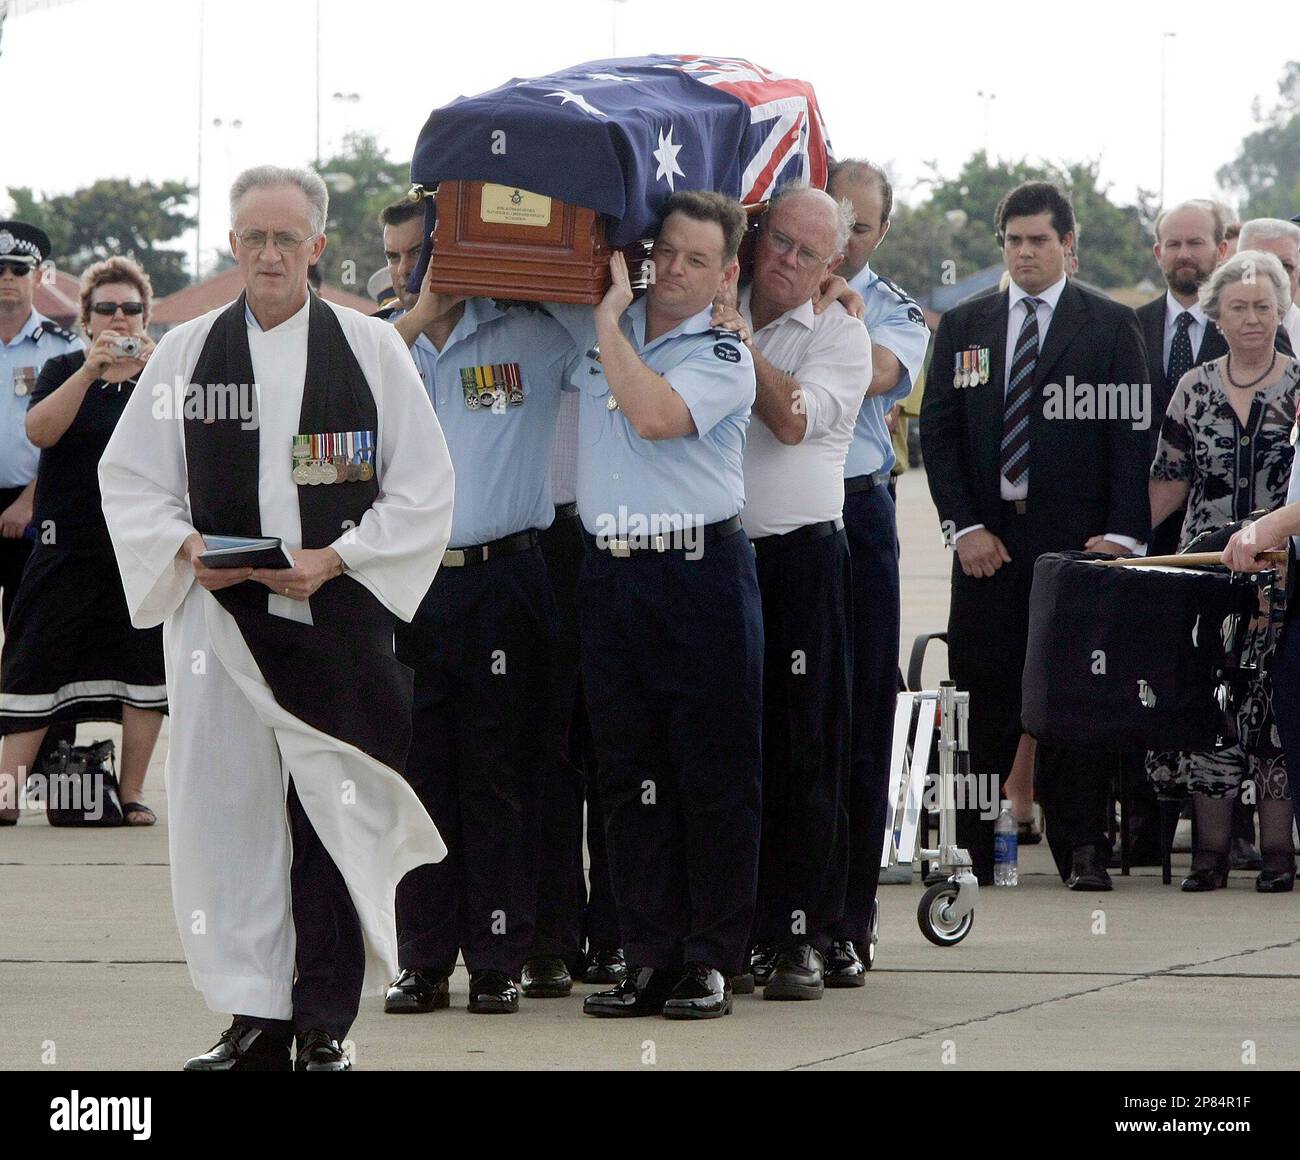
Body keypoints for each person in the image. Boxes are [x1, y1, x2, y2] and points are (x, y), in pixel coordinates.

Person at [98, 165, 454, 1071]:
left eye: (285, 239)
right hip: (219, 629)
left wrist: (336, 559)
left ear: (317, 248)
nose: (267, 254)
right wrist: (184, 552)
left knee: (330, 819)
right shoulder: (184, 354)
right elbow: (132, 479)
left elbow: (423, 487)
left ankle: (323, 1024)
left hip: (330, 620)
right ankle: (254, 1014)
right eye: (252, 238)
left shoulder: (372, 350)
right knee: (230, 818)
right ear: (231, 245)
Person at [546, 190, 761, 1020]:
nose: (674, 271)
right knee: (627, 773)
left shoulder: (725, 353)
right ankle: (647, 955)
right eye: (665, 251)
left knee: (711, 773)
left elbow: (654, 415)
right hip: (612, 577)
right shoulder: (607, 326)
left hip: (699, 577)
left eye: (696, 260)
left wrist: (608, 323)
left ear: (726, 273)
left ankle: (711, 957)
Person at [374, 199, 579, 1015]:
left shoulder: (533, 332)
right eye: (396, 258)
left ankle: (499, 954)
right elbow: (337, 388)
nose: (406, 269)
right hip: (412, 584)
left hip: (507, 578)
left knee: (501, 773)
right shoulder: (383, 341)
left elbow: (625, 344)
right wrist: (421, 314)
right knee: (419, 774)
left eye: (422, 253)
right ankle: (422, 958)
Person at [920, 181, 1151, 890]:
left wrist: (1119, 537)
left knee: (1074, 696)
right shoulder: (965, 327)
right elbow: (941, 433)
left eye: (1040, 240)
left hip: (1076, 549)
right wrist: (964, 529)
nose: (1025, 252)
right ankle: (975, 852)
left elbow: (1129, 435)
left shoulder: (1111, 326)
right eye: (1014, 240)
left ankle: (1082, 846)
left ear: (1067, 247)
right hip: (989, 549)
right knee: (985, 693)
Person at [711, 183, 869, 999]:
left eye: (809, 254)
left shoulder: (841, 333)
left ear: (831, 265)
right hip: (717, 560)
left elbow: (793, 421)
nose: (786, 261)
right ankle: (729, 932)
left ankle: (803, 935)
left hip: (801, 564)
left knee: (806, 753)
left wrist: (741, 342)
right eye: (777, 241)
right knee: (728, 754)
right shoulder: (710, 296)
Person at [1149, 249, 1298, 892]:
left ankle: (1276, 859)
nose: (1252, 319)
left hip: (1280, 574)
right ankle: (1207, 858)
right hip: (1206, 574)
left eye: (1264, 307)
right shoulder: (1193, 387)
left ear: (1281, 311)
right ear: (1217, 316)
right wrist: (1129, 550)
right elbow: (1168, 481)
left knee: (1271, 713)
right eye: (1238, 308)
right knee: (1213, 705)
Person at [0, 258, 166, 827]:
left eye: (131, 308)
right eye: (106, 309)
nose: (119, 318)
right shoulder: (62, 367)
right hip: (64, 547)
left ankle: (134, 791)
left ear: (146, 314)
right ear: (86, 318)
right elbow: (41, 432)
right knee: (32, 667)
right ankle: (6, 794)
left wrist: (148, 377)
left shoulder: (164, 376)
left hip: (139, 550)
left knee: (144, 673)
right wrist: (89, 374)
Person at [824, 160, 930, 976]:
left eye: (857, 226)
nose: (841, 238)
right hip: (776, 522)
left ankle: (847, 923)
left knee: (858, 722)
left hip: (855, 511)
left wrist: (832, 318)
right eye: (829, 219)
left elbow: (878, 375)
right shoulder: (766, 297)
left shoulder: (890, 311)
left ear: (880, 231)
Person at [0, 220, 81, 812]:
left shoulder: (63, 345)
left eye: (17, 270)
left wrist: (29, 497)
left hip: (36, 502)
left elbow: (69, 438)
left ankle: (56, 778)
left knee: (40, 640)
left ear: (37, 277)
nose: (6, 280)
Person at [1238, 219, 1300, 352]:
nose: (1274, 279)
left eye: (1286, 266)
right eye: (1260, 266)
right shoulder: (1215, 334)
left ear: (1298, 272)